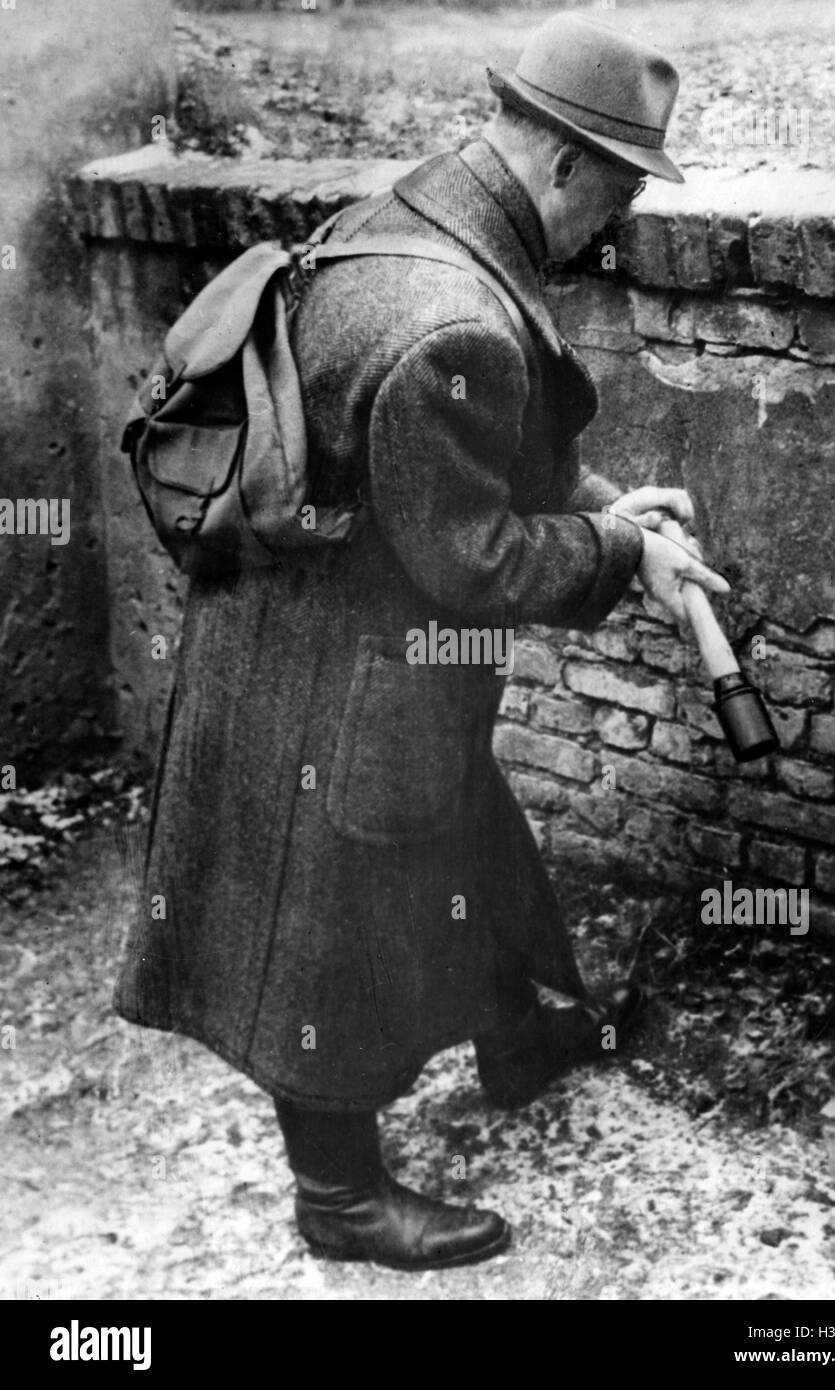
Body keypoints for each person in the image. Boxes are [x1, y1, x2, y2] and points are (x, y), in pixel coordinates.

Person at [115, 11, 728, 1271]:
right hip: (335, 681)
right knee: (327, 922)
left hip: (297, 630)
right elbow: (473, 558)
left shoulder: (419, 214)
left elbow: (458, 459)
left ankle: (521, 1032)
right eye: (617, 194)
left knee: (463, 838)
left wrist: (611, 511)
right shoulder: (454, 318)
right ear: (565, 162)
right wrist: (622, 555)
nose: (614, 224)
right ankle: (338, 1198)